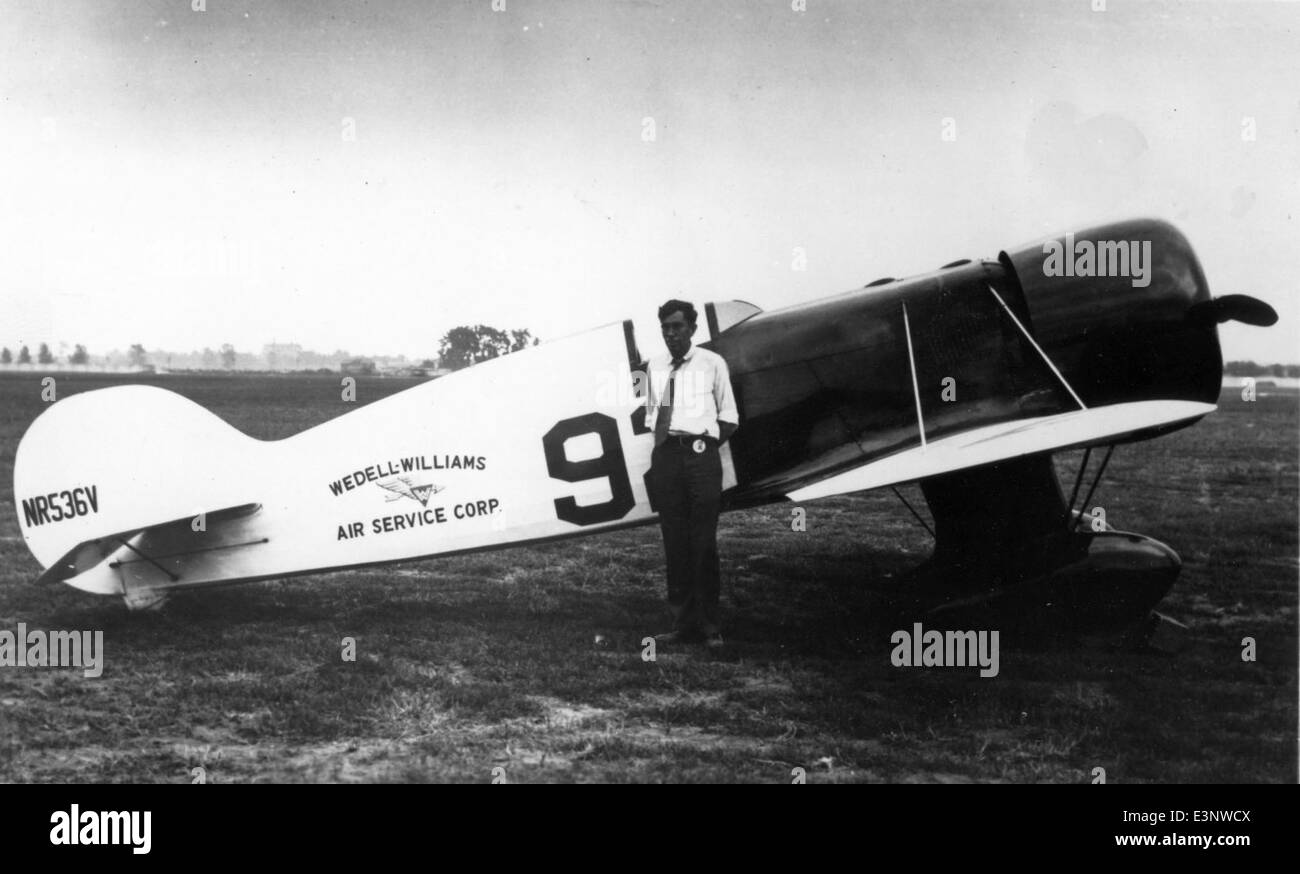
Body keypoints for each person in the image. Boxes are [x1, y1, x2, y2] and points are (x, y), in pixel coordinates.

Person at [645, 300, 739, 649]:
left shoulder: (713, 363)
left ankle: (710, 627)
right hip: (668, 456)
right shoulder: (653, 367)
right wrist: (663, 453)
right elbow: (651, 417)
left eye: (677, 326)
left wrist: (703, 446)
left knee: (702, 541)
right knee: (675, 541)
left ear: (692, 329)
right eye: (665, 327)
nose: (671, 334)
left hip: (701, 457)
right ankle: (682, 623)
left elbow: (729, 417)